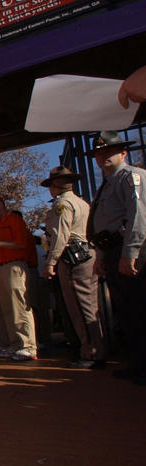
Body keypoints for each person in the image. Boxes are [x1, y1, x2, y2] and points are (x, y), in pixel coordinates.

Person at [87, 131, 146, 384]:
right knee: (126, 311)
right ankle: (138, 363)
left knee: (140, 308)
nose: (104, 156)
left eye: (109, 151)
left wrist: (130, 252)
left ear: (123, 153)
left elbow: (138, 216)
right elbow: (102, 225)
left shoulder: (132, 176)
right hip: (111, 251)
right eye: (100, 153)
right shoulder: (106, 184)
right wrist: (100, 256)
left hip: (128, 249)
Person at [41, 166, 105, 369]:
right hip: (86, 256)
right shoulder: (82, 203)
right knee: (90, 306)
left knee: (80, 308)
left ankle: (91, 353)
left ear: (55, 186)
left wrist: (51, 262)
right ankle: (95, 350)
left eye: (51, 185)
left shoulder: (62, 204)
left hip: (74, 260)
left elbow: (61, 236)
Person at [0, 194, 37, 360]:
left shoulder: (14, 220)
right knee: (6, 309)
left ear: (0, 205)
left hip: (14, 265)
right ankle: (13, 344)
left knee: (18, 306)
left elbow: (21, 243)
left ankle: (28, 345)